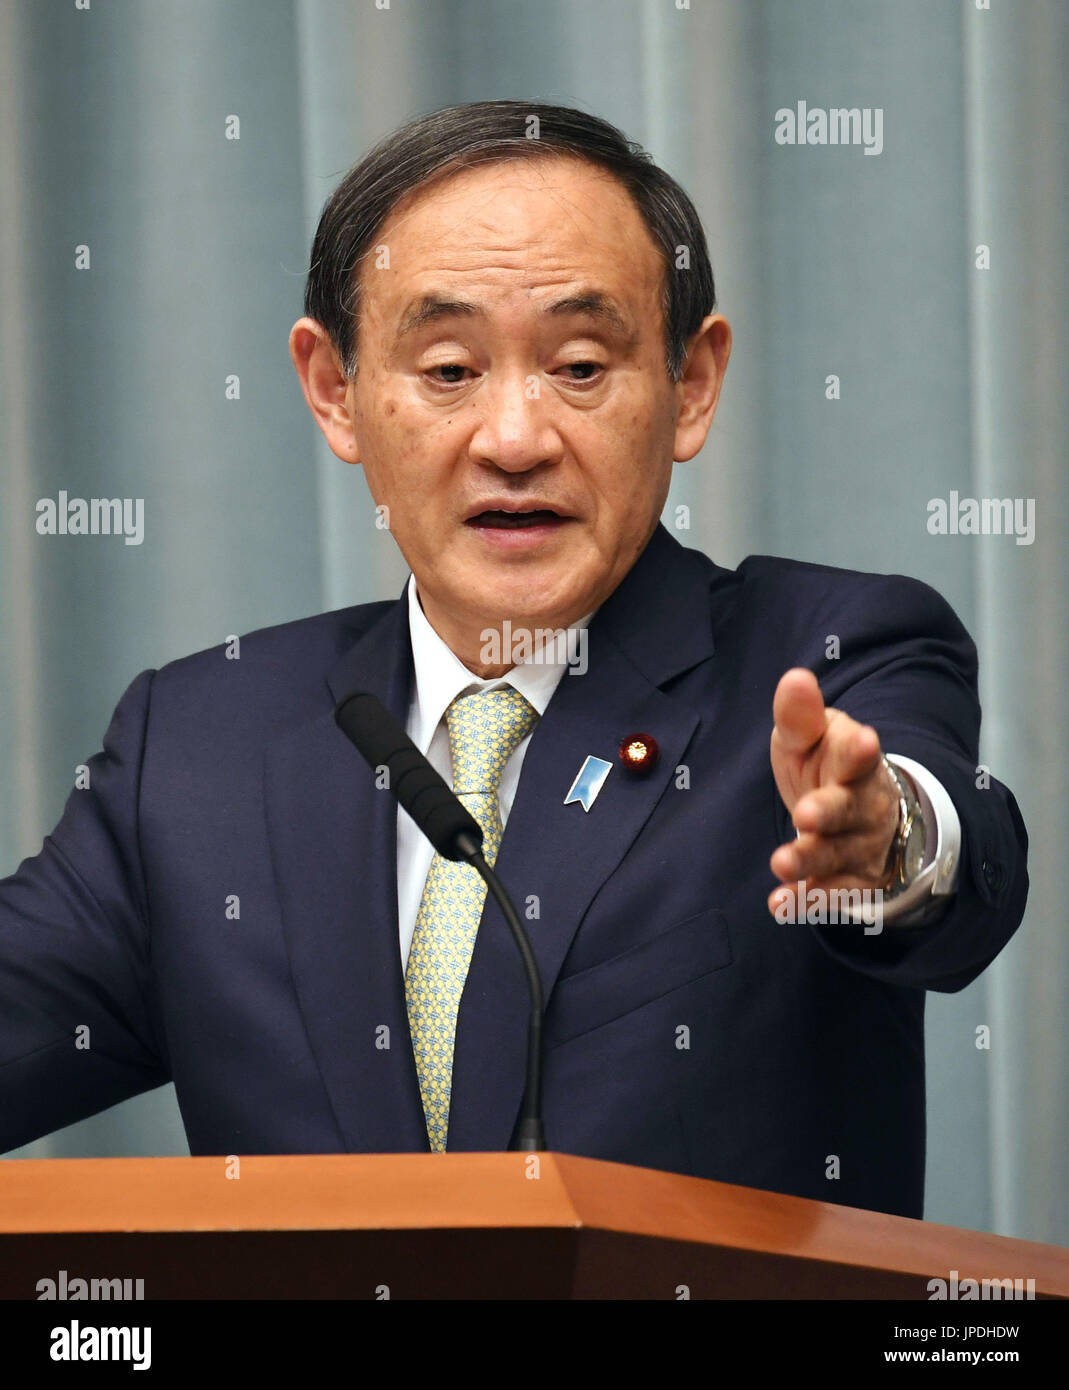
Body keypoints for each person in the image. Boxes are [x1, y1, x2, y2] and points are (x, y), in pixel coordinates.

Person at [0, 101, 1027, 1220]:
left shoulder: (823, 663)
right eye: (447, 370)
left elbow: (957, 861)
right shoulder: (199, 748)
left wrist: (888, 847)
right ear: (335, 389)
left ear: (690, 383)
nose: (515, 437)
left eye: (580, 365)